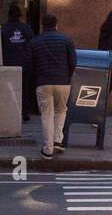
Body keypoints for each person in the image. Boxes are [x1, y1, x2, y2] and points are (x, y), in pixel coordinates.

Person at [31, 13, 77, 159]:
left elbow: (30, 63)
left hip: (43, 82)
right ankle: (58, 140)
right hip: (63, 82)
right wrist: (67, 76)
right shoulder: (66, 40)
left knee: (47, 115)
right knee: (61, 111)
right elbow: (73, 61)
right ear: (56, 24)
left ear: (43, 25)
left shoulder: (35, 41)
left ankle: (48, 149)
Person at [1, 3, 35, 121]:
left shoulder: (4, 28)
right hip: (24, 64)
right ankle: (24, 112)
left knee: (8, 89)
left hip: (8, 63)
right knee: (24, 89)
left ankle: (9, 111)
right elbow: (32, 45)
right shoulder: (26, 28)